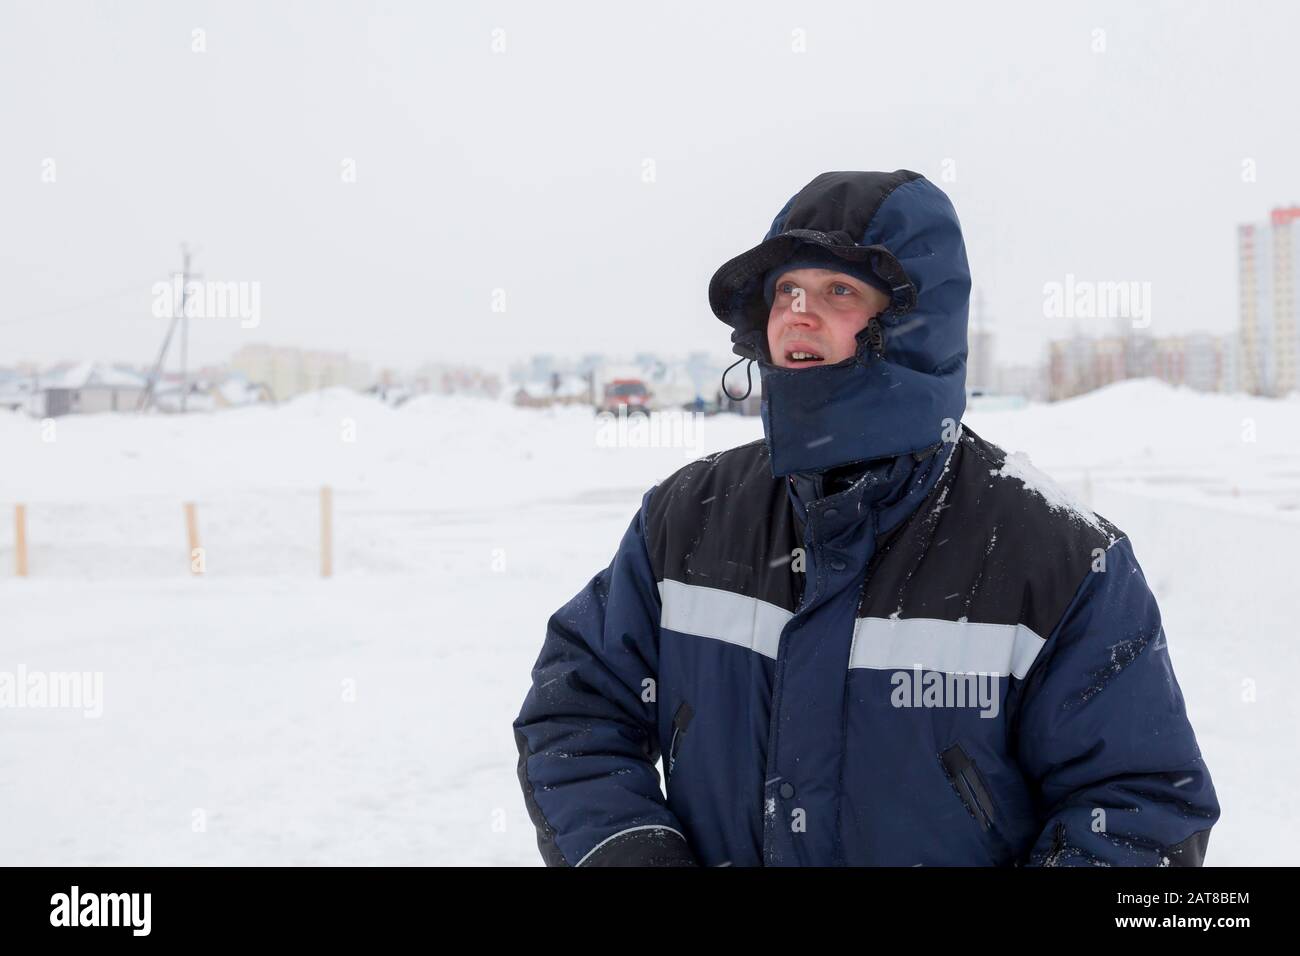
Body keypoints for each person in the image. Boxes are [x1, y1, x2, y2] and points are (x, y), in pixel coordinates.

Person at [512, 169, 1220, 867]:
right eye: (786, 290)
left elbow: (1139, 809)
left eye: (838, 291)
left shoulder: (1058, 557)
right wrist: (628, 849)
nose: (798, 310)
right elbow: (578, 708)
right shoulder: (688, 519)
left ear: (913, 324)